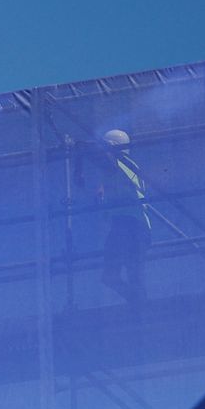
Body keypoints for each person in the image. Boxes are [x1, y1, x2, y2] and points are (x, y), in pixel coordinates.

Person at [89, 127, 152, 303]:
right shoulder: (123, 168)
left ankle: (138, 305)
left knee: (133, 275)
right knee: (115, 275)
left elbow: (105, 160)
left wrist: (84, 146)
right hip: (126, 225)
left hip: (132, 225)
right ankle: (137, 301)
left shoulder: (122, 164)